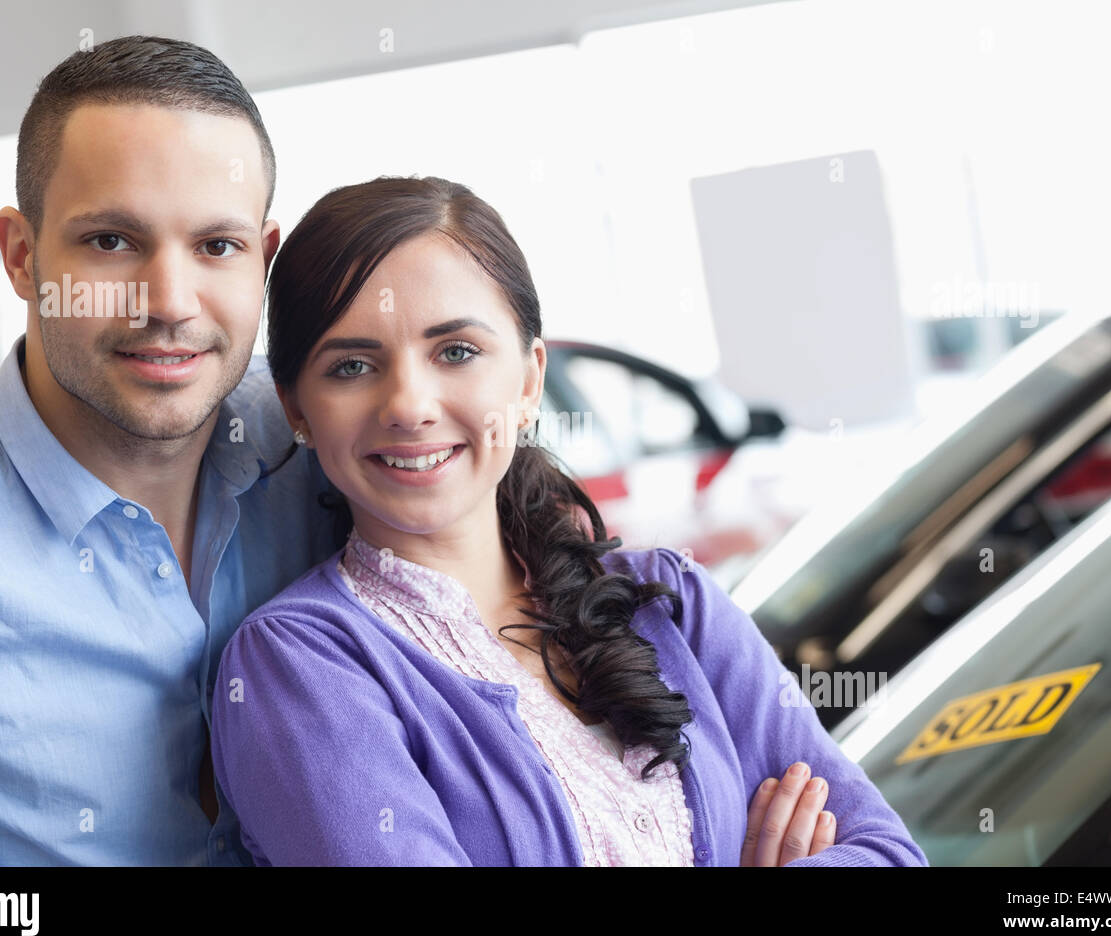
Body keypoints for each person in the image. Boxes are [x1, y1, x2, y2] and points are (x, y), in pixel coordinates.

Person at [209, 175, 929, 866]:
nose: (409, 404)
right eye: (352, 366)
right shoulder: (298, 667)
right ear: (297, 407)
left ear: (527, 381)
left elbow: (888, 855)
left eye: (455, 352)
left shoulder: (673, 604)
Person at [0, 36, 344, 865]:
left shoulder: (327, 447)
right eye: (111, 241)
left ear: (263, 260)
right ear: (23, 257)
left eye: (217, 247)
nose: (169, 303)